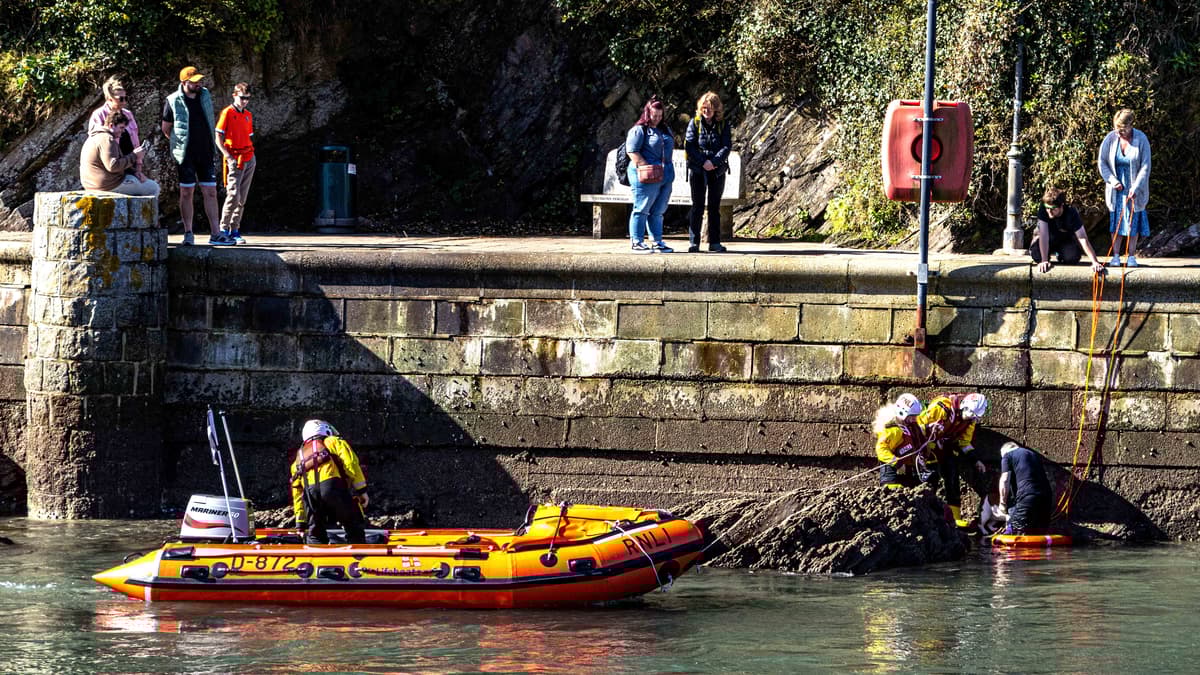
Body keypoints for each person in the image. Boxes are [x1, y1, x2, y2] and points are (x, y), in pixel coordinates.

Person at [162, 66, 230, 246]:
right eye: (194, 82)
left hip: (206, 152)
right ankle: (188, 233)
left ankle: (216, 233)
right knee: (186, 192)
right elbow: (166, 129)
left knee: (211, 192)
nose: (198, 84)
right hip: (186, 155)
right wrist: (180, 143)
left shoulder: (205, 95)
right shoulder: (172, 100)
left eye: (199, 81)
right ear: (184, 83)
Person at [289, 419, 369, 544]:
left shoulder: (299, 457)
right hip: (332, 487)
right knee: (353, 524)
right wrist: (361, 490)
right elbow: (351, 463)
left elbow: (297, 492)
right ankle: (358, 552)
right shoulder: (334, 441)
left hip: (310, 495)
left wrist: (300, 523)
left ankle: (315, 553)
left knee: (315, 533)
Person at [917, 392, 989, 527]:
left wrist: (975, 460)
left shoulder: (970, 421)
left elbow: (964, 442)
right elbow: (920, 425)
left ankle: (954, 516)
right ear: (964, 406)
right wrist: (926, 445)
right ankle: (925, 514)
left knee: (952, 474)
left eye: (975, 416)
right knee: (931, 477)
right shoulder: (942, 407)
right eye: (971, 414)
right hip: (926, 445)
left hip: (944, 446)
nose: (972, 418)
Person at [1098, 109, 1151, 267]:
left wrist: (1136, 187)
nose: (1119, 133)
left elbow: (1146, 166)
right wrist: (1112, 181)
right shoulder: (1110, 138)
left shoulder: (1141, 139)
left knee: (1133, 222)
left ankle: (1131, 256)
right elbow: (1102, 162)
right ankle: (1115, 256)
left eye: (1122, 130)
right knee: (1116, 223)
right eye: (1117, 129)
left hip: (1135, 189)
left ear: (1131, 125)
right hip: (1116, 190)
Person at [684, 91, 732, 253]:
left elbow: (726, 146)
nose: (706, 111)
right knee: (697, 206)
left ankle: (715, 242)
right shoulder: (694, 123)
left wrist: (714, 162)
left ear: (716, 109)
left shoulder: (723, 124)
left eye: (710, 108)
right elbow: (690, 146)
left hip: (717, 171)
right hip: (698, 169)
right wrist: (703, 162)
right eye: (704, 108)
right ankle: (694, 242)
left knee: (714, 207)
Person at [626, 95, 674, 254]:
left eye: (660, 115)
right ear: (648, 113)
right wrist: (647, 168)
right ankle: (637, 241)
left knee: (658, 210)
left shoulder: (665, 129)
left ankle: (657, 241)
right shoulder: (639, 130)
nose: (657, 119)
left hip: (665, 176)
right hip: (646, 176)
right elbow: (632, 151)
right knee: (641, 208)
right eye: (654, 115)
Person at [80, 109, 160, 197]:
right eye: (121, 127)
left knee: (134, 179)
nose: (123, 131)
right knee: (153, 187)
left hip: (91, 185)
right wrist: (134, 155)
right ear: (111, 125)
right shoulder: (107, 139)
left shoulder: (94, 137)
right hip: (107, 186)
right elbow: (113, 166)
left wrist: (134, 172)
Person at [1029, 187, 1104, 274]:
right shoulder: (1043, 209)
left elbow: (1082, 238)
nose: (1049, 211)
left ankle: (1061, 255)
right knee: (1037, 256)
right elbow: (1044, 235)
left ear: (1062, 206)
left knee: (1072, 258)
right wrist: (1044, 260)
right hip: (1048, 237)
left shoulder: (1071, 212)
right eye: (1047, 208)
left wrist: (1095, 262)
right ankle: (1045, 255)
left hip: (1064, 239)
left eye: (1053, 208)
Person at [216, 82, 256, 244]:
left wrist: (251, 156)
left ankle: (235, 229)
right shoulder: (227, 112)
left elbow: (249, 136)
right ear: (234, 96)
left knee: (242, 197)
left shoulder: (248, 115)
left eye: (247, 98)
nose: (244, 101)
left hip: (248, 157)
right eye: (242, 97)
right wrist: (228, 156)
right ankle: (223, 228)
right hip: (234, 158)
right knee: (233, 194)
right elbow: (218, 137)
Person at [88, 77, 146, 182]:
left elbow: (135, 142)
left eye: (126, 98)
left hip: (130, 164)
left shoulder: (128, 114)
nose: (124, 102)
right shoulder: (99, 115)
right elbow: (96, 142)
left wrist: (138, 168)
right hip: (112, 169)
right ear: (109, 99)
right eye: (121, 99)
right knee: (151, 187)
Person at [873, 393, 928, 488]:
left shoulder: (912, 427)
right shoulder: (893, 430)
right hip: (891, 472)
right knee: (894, 490)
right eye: (912, 416)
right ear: (902, 413)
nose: (915, 419)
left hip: (909, 469)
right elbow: (881, 449)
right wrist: (896, 462)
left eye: (915, 416)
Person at [997, 442, 1053, 534]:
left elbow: (1005, 480)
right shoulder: (1033, 454)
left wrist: (1002, 503)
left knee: (1014, 532)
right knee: (1038, 534)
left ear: (1005, 451)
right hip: (1046, 497)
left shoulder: (1007, 455)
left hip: (1028, 496)